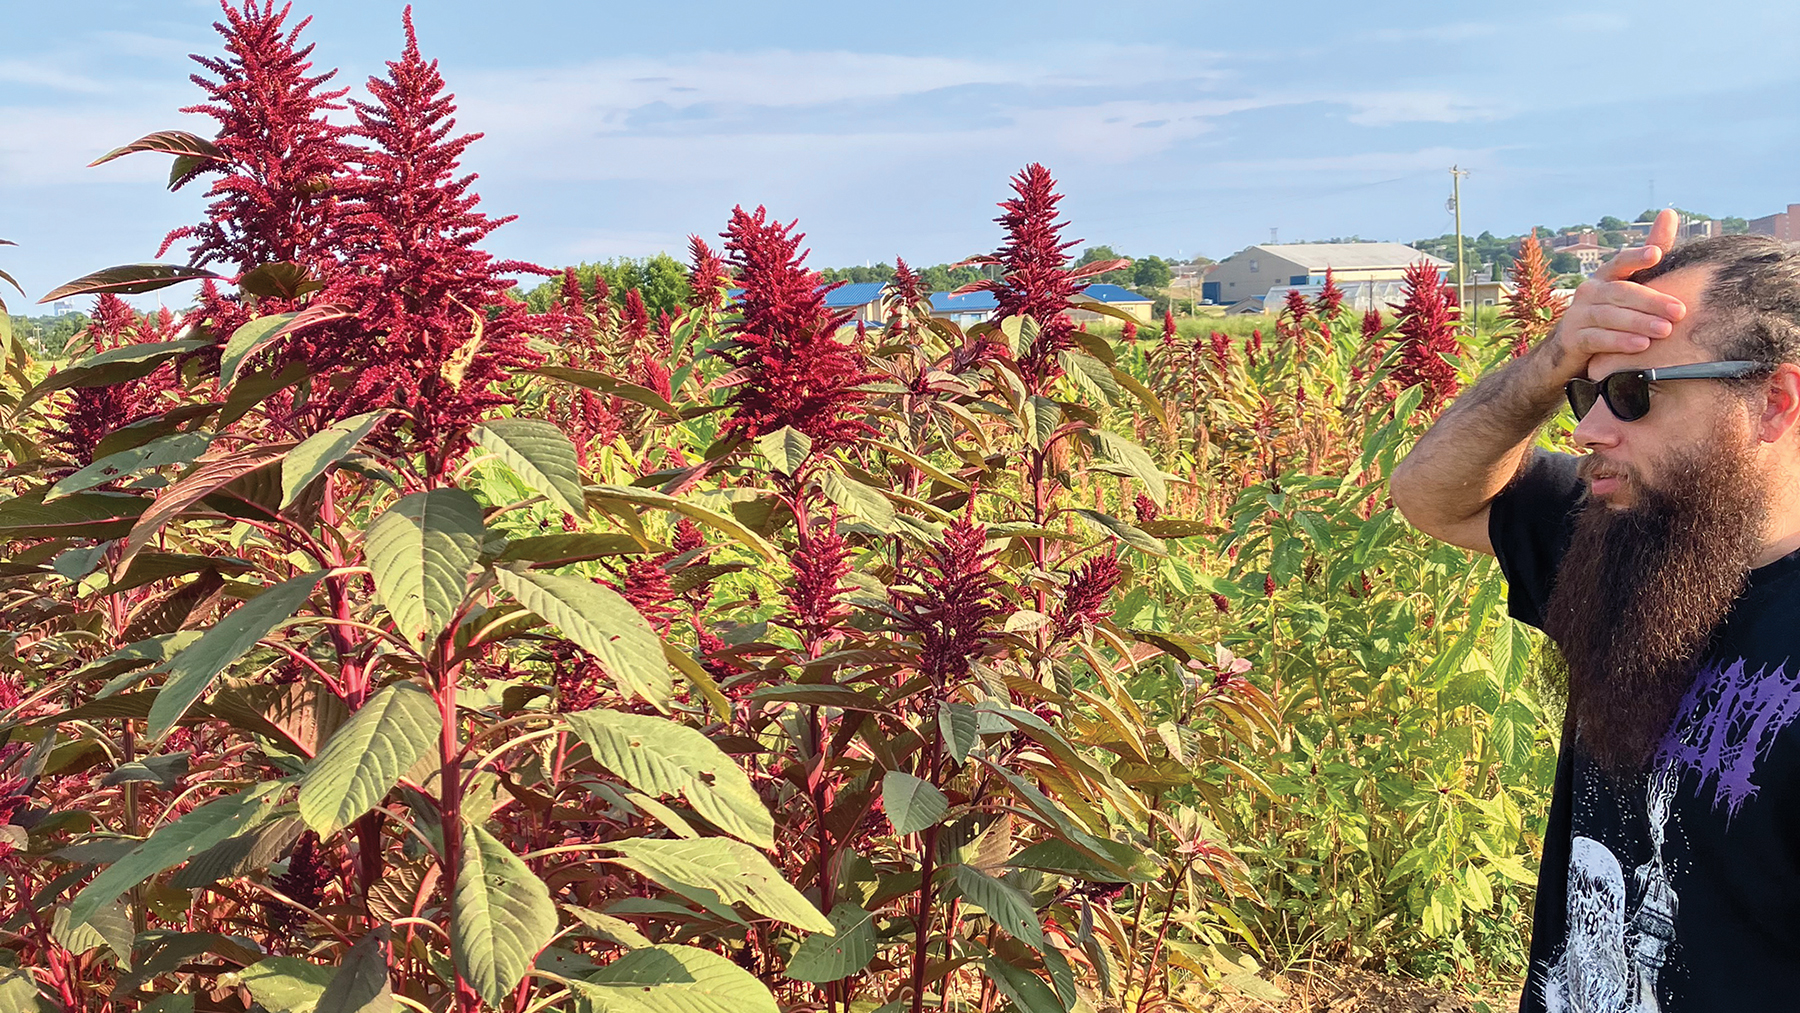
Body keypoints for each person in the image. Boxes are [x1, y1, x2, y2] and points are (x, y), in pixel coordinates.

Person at [1390, 209, 1800, 1012]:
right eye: (1584, 389)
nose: (1586, 427)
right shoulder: (1628, 542)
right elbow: (1429, 494)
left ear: (1775, 403)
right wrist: (1547, 362)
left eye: (1632, 392)